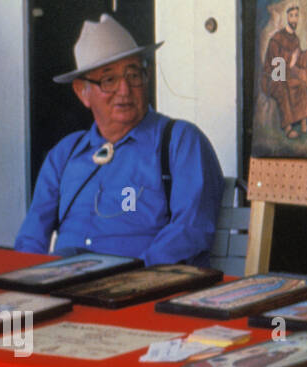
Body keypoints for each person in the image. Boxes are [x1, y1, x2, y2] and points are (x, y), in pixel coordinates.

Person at [14, 14, 223, 267]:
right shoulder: (65, 154)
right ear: (83, 92)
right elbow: (31, 238)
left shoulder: (179, 142)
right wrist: (31, 279)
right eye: (109, 79)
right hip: (64, 282)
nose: (124, 90)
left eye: (133, 75)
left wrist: (130, 278)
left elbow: (190, 230)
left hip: (142, 287)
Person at [260, 3, 307, 139]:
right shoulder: (276, 38)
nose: (294, 19)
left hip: (285, 74)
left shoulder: (295, 39)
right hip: (272, 77)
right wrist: (290, 60)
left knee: (301, 85)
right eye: (291, 16)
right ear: (286, 17)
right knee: (283, 87)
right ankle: (288, 128)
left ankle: (305, 126)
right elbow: (276, 64)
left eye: (296, 16)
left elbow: (299, 62)